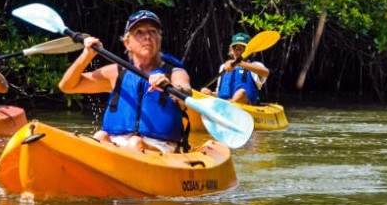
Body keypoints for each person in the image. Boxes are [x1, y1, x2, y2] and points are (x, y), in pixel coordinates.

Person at [58, 10, 191, 153]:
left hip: (160, 146)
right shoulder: (115, 73)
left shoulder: (174, 73)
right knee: (100, 136)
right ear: (127, 43)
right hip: (119, 142)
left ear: (159, 39)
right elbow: (67, 86)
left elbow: (185, 95)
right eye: (139, 32)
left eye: (153, 31)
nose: (147, 37)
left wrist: (169, 86)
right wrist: (86, 55)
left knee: (135, 143)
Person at [201, 32, 269, 104]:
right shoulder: (224, 67)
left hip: (245, 103)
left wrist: (239, 63)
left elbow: (266, 72)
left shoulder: (254, 65)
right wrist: (211, 93)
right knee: (204, 91)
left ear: (249, 51)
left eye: (242, 48)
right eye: (235, 47)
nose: (237, 50)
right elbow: (219, 92)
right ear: (231, 50)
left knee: (241, 93)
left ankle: (229, 105)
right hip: (224, 101)